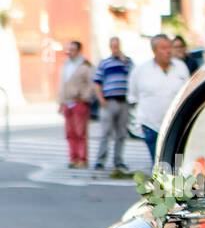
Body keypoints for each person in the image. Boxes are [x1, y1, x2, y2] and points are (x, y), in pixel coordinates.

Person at [128, 34, 191, 167]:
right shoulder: (141, 71)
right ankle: (161, 186)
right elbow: (132, 97)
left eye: (170, 47)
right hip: (151, 125)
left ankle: (174, 186)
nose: (168, 51)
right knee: (159, 163)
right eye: (163, 48)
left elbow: (188, 92)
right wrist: (138, 121)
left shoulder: (181, 67)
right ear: (154, 50)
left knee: (176, 162)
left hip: (176, 124)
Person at [92, 37, 133, 172]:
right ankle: (100, 160)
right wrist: (101, 99)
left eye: (117, 46)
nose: (115, 48)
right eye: (113, 46)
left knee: (121, 134)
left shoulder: (127, 61)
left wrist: (123, 60)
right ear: (110, 47)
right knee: (105, 133)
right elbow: (97, 82)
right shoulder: (104, 63)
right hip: (109, 101)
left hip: (124, 101)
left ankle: (118, 161)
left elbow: (133, 76)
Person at [58, 41, 95, 168]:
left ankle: (82, 159)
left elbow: (92, 84)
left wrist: (85, 97)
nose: (69, 52)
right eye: (68, 49)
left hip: (79, 102)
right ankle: (73, 158)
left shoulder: (85, 65)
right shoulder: (66, 65)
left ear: (78, 51)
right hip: (67, 102)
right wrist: (61, 102)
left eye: (72, 49)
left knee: (80, 133)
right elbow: (62, 85)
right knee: (70, 133)